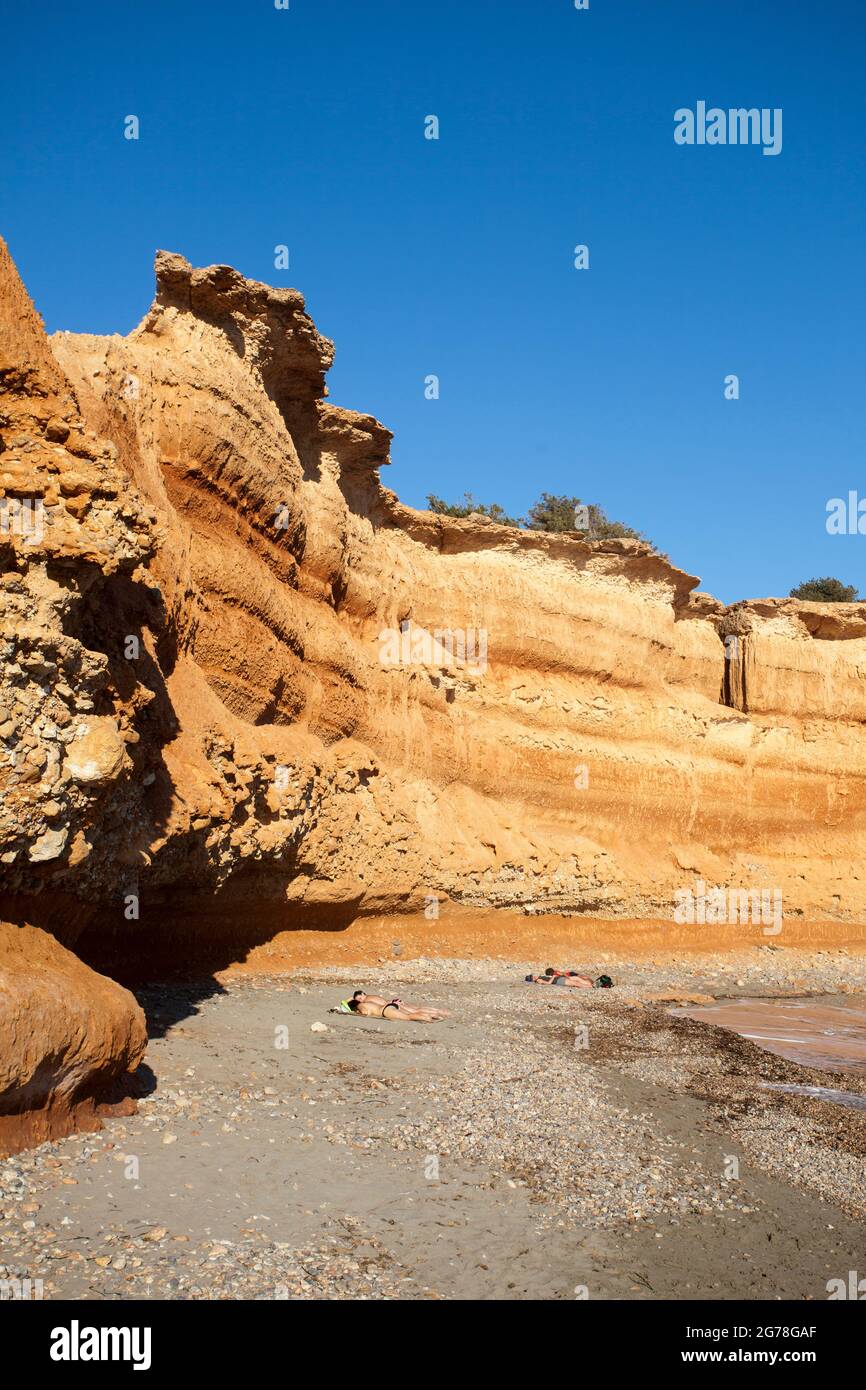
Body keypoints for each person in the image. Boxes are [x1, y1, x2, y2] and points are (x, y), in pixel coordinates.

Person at [334, 990, 448, 1022]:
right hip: (392, 1003)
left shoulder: (363, 1004)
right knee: (414, 1010)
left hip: (387, 1009)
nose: (360, 1000)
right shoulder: (370, 998)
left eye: (360, 998)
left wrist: (355, 1011)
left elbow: (364, 1013)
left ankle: (428, 1018)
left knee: (409, 1016)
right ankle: (436, 1013)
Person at [525, 967, 613, 989]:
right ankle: (591, 986)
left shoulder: (541, 976)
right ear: (532, 979)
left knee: (578, 979)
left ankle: (593, 984)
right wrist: (554, 977)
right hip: (558, 981)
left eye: (533, 975)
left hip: (559, 978)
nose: (534, 976)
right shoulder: (538, 980)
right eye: (533, 977)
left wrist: (557, 974)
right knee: (575, 983)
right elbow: (548, 983)